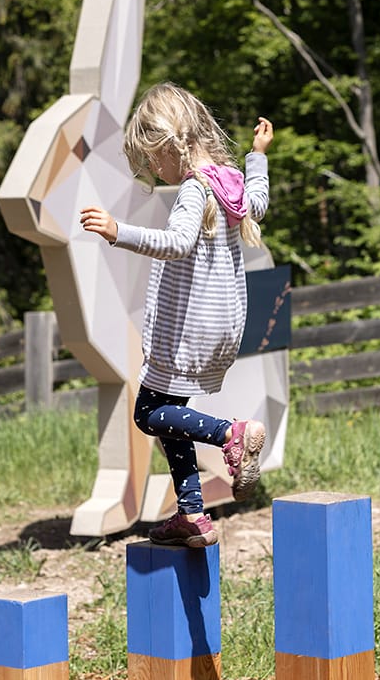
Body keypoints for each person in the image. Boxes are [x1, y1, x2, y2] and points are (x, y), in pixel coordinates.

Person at [80, 82, 274, 548]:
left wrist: (116, 231)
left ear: (170, 144)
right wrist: (258, 156)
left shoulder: (193, 189)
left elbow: (177, 243)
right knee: (172, 415)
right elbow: (259, 204)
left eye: (153, 160)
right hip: (224, 323)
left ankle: (232, 434)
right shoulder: (229, 179)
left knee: (148, 414)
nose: (155, 171)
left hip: (186, 328)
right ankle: (191, 514)